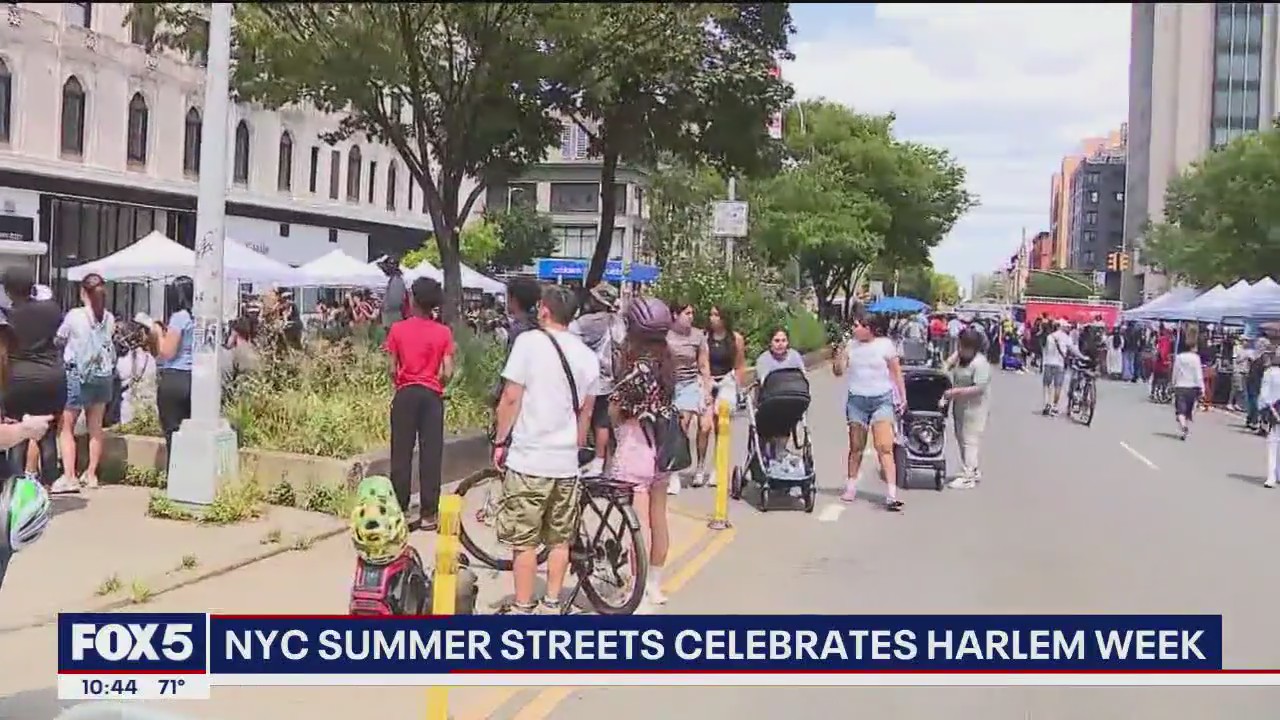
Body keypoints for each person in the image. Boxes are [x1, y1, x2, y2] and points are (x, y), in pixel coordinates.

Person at [491, 284, 599, 615]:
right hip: (565, 463)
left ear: (545, 311)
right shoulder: (587, 356)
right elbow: (586, 413)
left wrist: (499, 441)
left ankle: (524, 606)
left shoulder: (528, 343)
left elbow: (511, 398)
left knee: (524, 541)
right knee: (559, 538)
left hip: (529, 459)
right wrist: (574, 448)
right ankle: (552, 603)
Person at [608, 296, 677, 605]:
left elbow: (615, 409)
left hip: (636, 446)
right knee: (658, 519)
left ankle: (635, 588)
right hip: (663, 448)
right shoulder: (668, 366)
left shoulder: (635, 370)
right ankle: (655, 585)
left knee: (634, 524)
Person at [384, 277, 455, 531]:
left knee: (401, 454)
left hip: (405, 393)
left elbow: (392, 367)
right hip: (431, 395)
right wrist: (437, 382)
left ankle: (400, 509)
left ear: (412, 299)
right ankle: (428, 514)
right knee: (431, 454)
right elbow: (448, 370)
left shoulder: (398, 330)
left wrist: (401, 380)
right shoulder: (443, 332)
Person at [833, 312, 906, 511]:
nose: (854, 329)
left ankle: (891, 493)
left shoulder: (885, 345)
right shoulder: (851, 346)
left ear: (869, 328)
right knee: (856, 446)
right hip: (857, 400)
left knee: (884, 446)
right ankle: (851, 485)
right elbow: (838, 371)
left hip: (882, 399)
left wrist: (902, 397)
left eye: (858, 325)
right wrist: (839, 352)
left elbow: (896, 372)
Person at [3, 267, 67, 491]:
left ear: (8, 290)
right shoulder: (51, 310)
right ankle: (48, 485)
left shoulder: (8, 316)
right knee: (47, 433)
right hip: (51, 377)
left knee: (18, 432)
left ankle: (15, 485)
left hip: (18, 379)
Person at [56, 274, 117, 490]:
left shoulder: (75, 315)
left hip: (77, 375)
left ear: (83, 292)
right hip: (102, 377)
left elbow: (59, 338)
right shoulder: (109, 318)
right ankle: (91, 475)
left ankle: (69, 475)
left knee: (67, 427)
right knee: (95, 428)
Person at [568, 282, 626, 477]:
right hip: (612, 378)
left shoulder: (586, 322)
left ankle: (576, 455)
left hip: (589, 380)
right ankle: (600, 463)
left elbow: (568, 341)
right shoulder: (618, 322)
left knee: (582, 416)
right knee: (602, 422)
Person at [666, 303, 711, 493]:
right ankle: (674, 472)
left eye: (693, 313)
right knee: (678, 427)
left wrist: (707, 390)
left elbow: (703, 364)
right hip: (670, 383)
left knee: (698, 425)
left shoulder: (697, 336)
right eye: (687, 313)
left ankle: (700, 466)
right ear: (675, 315)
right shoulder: (666, 335)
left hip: (691, 384)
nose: (691, 316)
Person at [150, 276, 195, 461]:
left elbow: (167, 352)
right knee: (190, 433)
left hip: (175, 377)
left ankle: (175, 475)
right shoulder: (198, 318)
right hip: (194, 378)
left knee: (173, 431)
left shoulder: (179, 318)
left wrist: (159, 333)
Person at [942, 328, 992, 489]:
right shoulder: (960, 358)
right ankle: (973, 468)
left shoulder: (980, 363)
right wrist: (951, 360)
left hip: (975, 407)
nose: (961, 349)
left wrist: (956, 392)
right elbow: (945, 369)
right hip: (959, 405)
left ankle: (967, 475)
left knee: (970, 440)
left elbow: (979, 388)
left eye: (964, 346)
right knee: (961, 437)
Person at [702, 305, 746, 484]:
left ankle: (718, 467)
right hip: (708, 380)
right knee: (705, 426)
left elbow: (740, 365)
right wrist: (706, 383)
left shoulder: (735, 339)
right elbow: (702, 363)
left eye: (717, 315)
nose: (713, 318)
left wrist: (737, 385)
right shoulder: (704, 338)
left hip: (726, 380)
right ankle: (700, 467)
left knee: (721, 423)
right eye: (711, 314)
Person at [753, 327, 807, 461]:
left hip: (789, 404)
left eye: (783, 340)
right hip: (769, 403)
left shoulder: (794, 356)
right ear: (770, 343)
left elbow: (802, 377)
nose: (780, 344)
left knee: (787, 417)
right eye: (776, 341)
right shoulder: (763, 360)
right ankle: (761, 457)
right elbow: (764, 381)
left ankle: (780, 452)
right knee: (766, 426)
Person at [1040, 319, 1086, 416]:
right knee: (1058, 386)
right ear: (1062, 327)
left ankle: (1047, 404)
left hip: (1048, 363)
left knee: (1047, 385)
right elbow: (1073, 350)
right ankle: (1055, 406)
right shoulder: (1066, 338)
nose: (1068, 328)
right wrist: (1083, 357)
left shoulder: (1050, 337)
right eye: (1066, 326)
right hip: (1059, 364)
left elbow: (1045, 349)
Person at [1171, 326, 1205, 441]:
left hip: (1180, 386)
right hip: (1192, 387)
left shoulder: (1179, 357)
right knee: (1188, 411)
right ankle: (1185, 426)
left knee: (1180, 410)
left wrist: (1173, 383)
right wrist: (1202, 388)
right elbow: (1199, 374)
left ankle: (1183, 427)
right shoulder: (1196, 358)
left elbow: (1175, 371)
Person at [1257, 349, 1280, 487]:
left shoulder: (1270, 372)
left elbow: (1264, 395)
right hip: (1275, 409)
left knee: (1273, 443)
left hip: (1274, 409)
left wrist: (1268, 409)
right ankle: (1275, 473)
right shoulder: (1271, 372)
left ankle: (1272, 475)